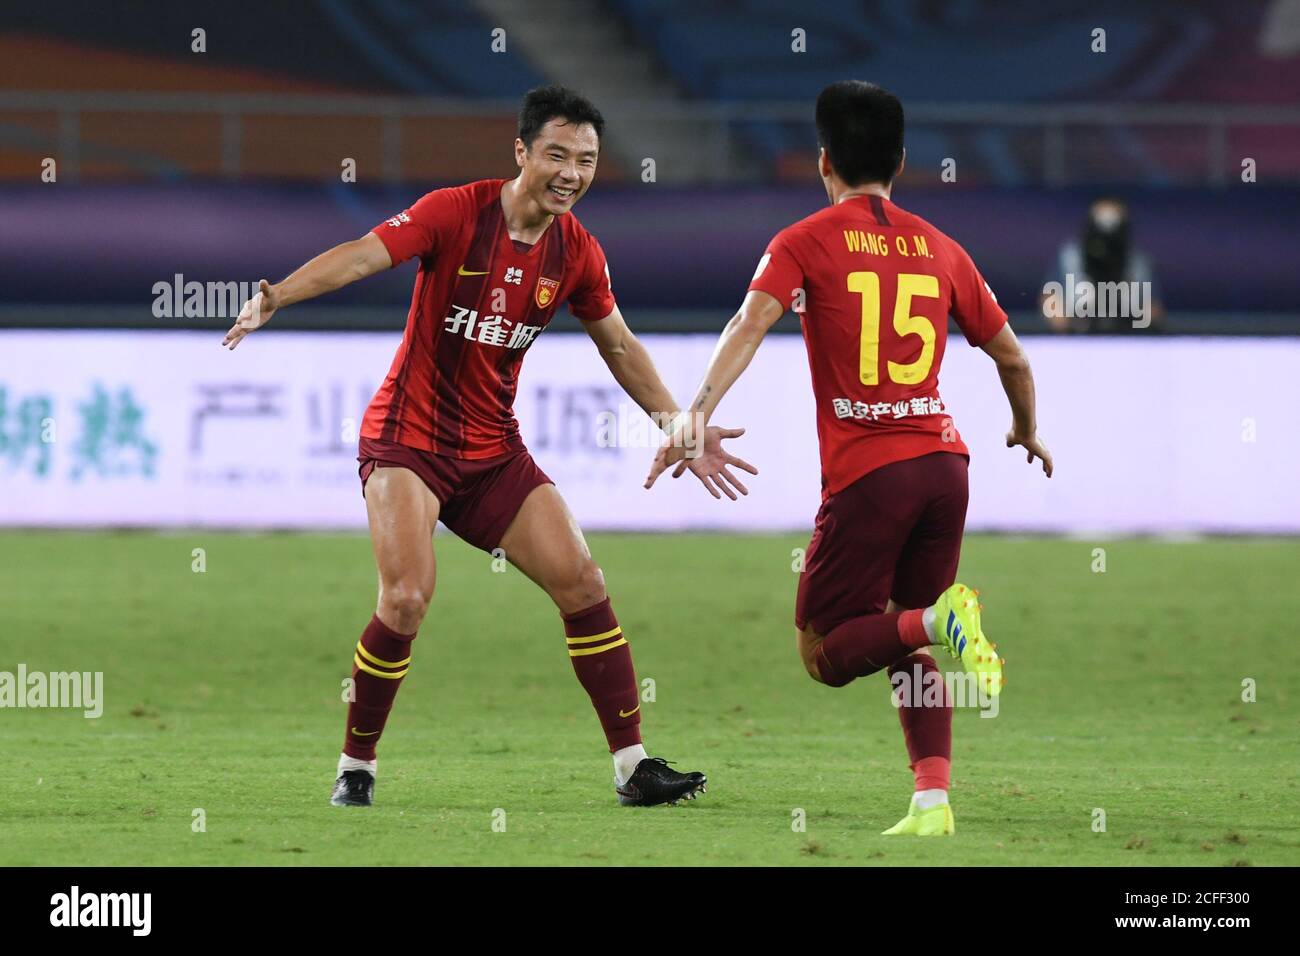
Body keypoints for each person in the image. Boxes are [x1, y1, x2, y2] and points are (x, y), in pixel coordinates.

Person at [223, 86, 755, 808]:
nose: (571, 173)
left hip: (493, 453)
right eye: (557, 155)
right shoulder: (455, 212)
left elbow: (620, 345)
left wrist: (680, 426)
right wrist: (278, 296)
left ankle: (633, 768)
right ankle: (357, 765)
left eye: (588, 160)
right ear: (522, 153)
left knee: (585, 584)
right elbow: (360, 256)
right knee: (407, 599)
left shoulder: (577, 251)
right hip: (407, 441)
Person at [646, 81, 1052, 836]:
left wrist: (693, 416)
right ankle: (933, 802)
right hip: (945, 466)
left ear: (824, 161)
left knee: (826, 650)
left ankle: (942, 620)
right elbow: (1013, 358)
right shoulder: (943, 247)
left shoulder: (803, 241)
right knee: (906, 628)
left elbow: (748, 323)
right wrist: (1025, 430)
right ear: (900, 160)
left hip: (872, 476)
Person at [1040, 196, 1163, 332]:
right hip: (1078, 333)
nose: (1106, 238)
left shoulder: (1138, 261)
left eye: (1113, 225)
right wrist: (1067, 325)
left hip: (1127, 335)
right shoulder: (1069, 257)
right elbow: (1050, 299)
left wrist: (1134, 321)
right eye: (1101, 225)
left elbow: (1153, 309)